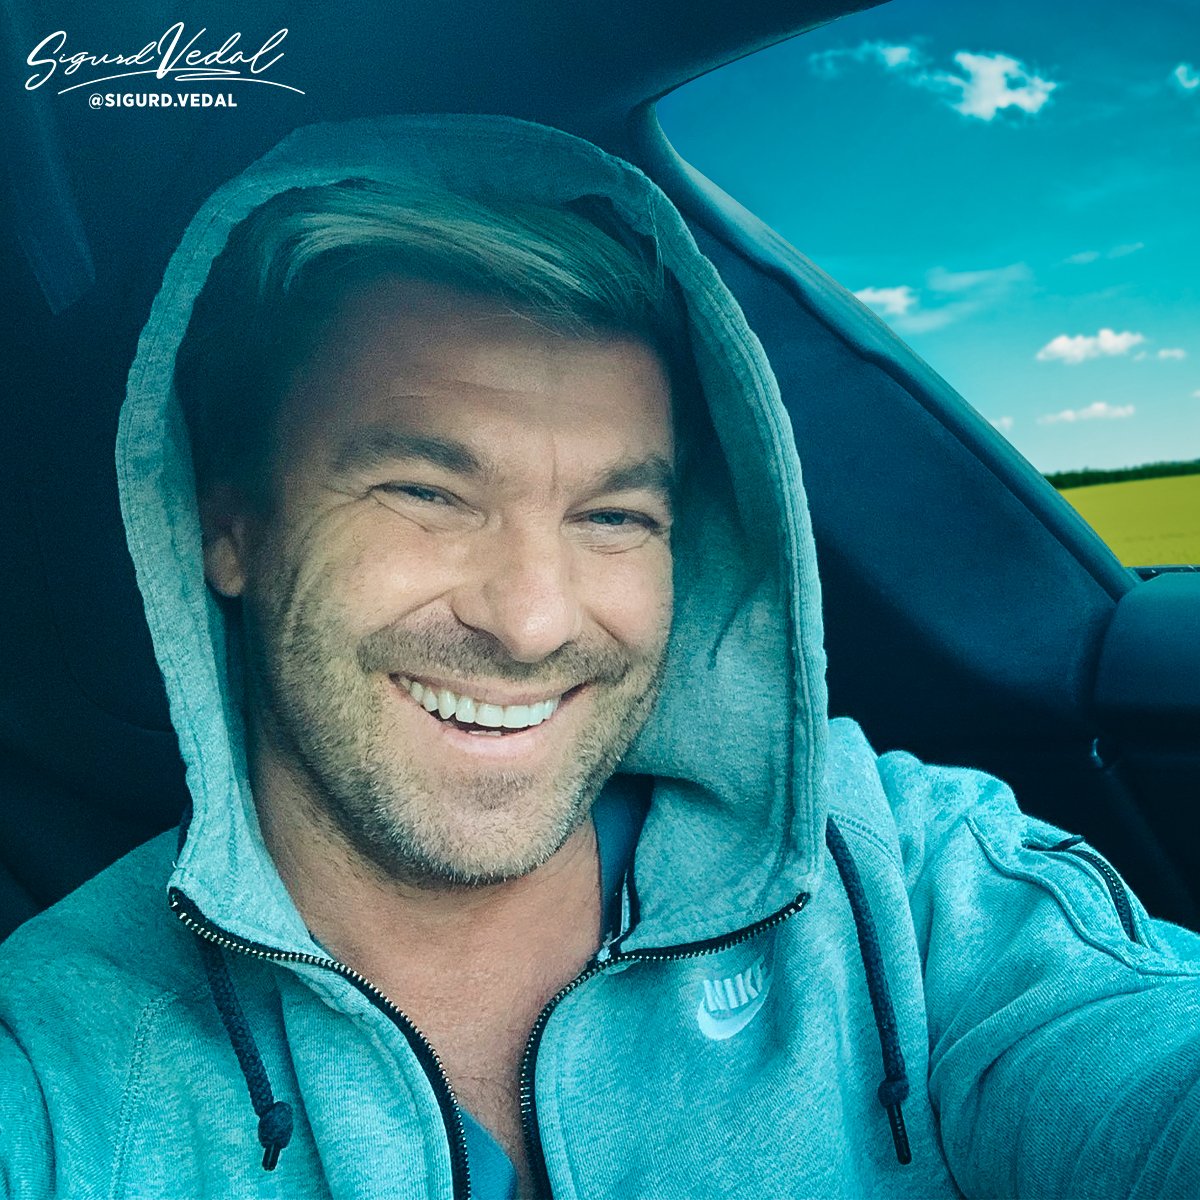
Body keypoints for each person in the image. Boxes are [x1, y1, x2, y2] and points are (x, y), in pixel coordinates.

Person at [1, 112, 1198, 1200]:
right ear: (231, 528)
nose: (532, 621)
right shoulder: (56, 1067)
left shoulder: (895, 875)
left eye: (615, 515)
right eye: (425, 490)